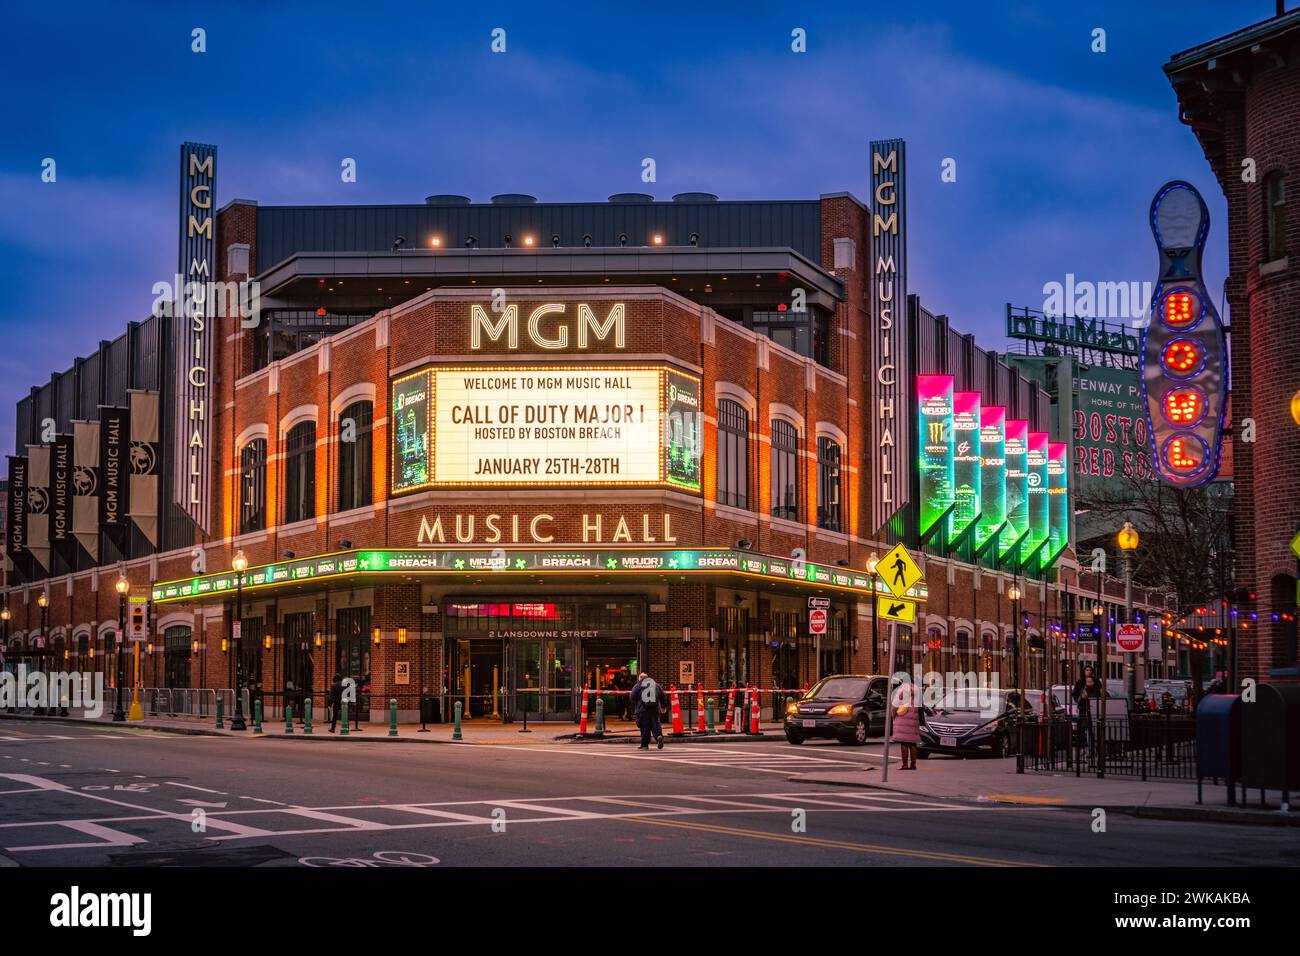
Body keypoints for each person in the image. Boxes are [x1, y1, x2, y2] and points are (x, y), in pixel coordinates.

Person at [629, 671, 666, 750]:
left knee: (645, 727)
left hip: (643, 710)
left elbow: (632, 696)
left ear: (640, 678)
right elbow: (662, 695)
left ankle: (644, 745)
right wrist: (663, 707)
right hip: (654, 709)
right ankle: (658, 736)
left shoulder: (638, 685)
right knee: (655, 724)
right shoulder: (655, 684)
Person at [890, 680, 922, 770]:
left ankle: (904, 765)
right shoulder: (917, 691)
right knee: (913, 743)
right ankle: (913, 764)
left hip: (902, 718)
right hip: (914, 720)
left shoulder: (902, 690)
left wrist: (893, 715)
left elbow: (895, 705)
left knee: (904, 742)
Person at [1072, 665, 1102, 750]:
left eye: (1090, 670)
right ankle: (1085, 748)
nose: (1089, 671)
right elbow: (1075, 695)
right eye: (1087, 670)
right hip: (1083, 708)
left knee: (1093, 729)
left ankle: (1093, 748)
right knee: (1083, 729)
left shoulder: (1097, 682)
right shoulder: (1080, 682)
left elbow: (1100, 694)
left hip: (1094, 708)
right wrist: (1080, 697)